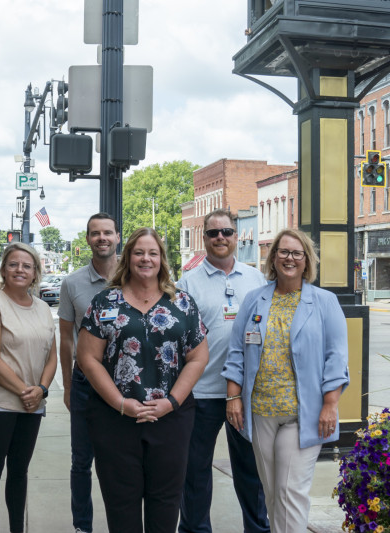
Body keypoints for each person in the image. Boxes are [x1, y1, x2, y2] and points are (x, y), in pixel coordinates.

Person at [76, 227, 209, 533]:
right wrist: (121, 403)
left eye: (153, 253)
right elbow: (88, 358)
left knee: (165, 506)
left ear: (162, 259)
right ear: (128, 258)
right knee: (121, 506)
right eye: (139, 252)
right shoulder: (105, 302)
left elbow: (199, 357)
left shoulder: (183, 304)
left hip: (171, 419)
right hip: (115, 420)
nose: (145, 259)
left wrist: (171, 402)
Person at [222, 228, 349, 533]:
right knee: (272, 493)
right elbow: (236, 350)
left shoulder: (324, 302)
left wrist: (330, 404)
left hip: (303, 414)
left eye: (296, 253)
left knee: (290, 492)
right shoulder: (255, 300)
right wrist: (233, 397)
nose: (289, 258)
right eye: (283, 252)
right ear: (273, 257)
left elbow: (336, 357)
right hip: (261, 411)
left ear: (306, 260)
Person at [177, 209, 270, 533]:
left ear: (235, 236)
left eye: (227, 232)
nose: (221, 238)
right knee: (195, 471)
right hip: (200, 393)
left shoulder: (256, 279)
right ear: (204, 238)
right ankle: (195, 529)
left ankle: (258, 529)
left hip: (245, 393)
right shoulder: (186, 284)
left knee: (251, 471)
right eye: (214, 233)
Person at [0, 241, 58, 533]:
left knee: (19, 472)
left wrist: (42, 390)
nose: (19, 270)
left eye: (26, 265)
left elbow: (52, 356)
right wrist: (27, 390)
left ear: (36, 272)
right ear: (3, 269)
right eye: (13, 264)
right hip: (0, 403)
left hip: (34, 405)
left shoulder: (43, 308)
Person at [58, 213, 120, 533]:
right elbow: (66, 339)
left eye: (107, 232)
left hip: (125, 381)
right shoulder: (72, 283)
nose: (102, 238)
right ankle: (82, 526)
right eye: (95, 233)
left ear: (118, 237)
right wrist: (68, 388)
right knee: (81, 461)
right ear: (87, 240)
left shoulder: (135, 274)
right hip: (85, 384)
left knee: (119, 462)